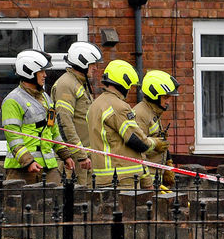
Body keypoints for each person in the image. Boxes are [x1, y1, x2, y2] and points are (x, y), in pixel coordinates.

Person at [86, 59, 161, 189]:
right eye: (130, 85)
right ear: (123, 82)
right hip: (122, 178)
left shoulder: (95, 105)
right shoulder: (119, 106)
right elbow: (137, 142)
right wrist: (155, 143)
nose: (130, 89)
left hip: (100, 177)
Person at [1, 49, 68, 183]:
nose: (45, 75)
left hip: (49, 167)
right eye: (41, 71)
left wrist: (65, 155)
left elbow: (53, 130)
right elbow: (13, 137)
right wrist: (28, 161)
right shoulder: (12, 101)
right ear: (29, 72)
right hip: (22, 170)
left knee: (57, 196)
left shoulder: (45, 98)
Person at [51, 40, 101, 184]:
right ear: (82, 63)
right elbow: (64, 122)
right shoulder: (66, 84)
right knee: (73, 197)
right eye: (93, 64)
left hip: (83, 158)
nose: (95, 68)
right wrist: (80, 154)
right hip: (74, 160)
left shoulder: (79, 83)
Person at [133, 69, 179, 189]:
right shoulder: (140, 114)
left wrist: (168, 163)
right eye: (166, 97)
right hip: (147, 183)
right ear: (154, 94)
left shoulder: (153, 112)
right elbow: (137, 152)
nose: (168, 101)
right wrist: (147, 183)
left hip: (156, 179)